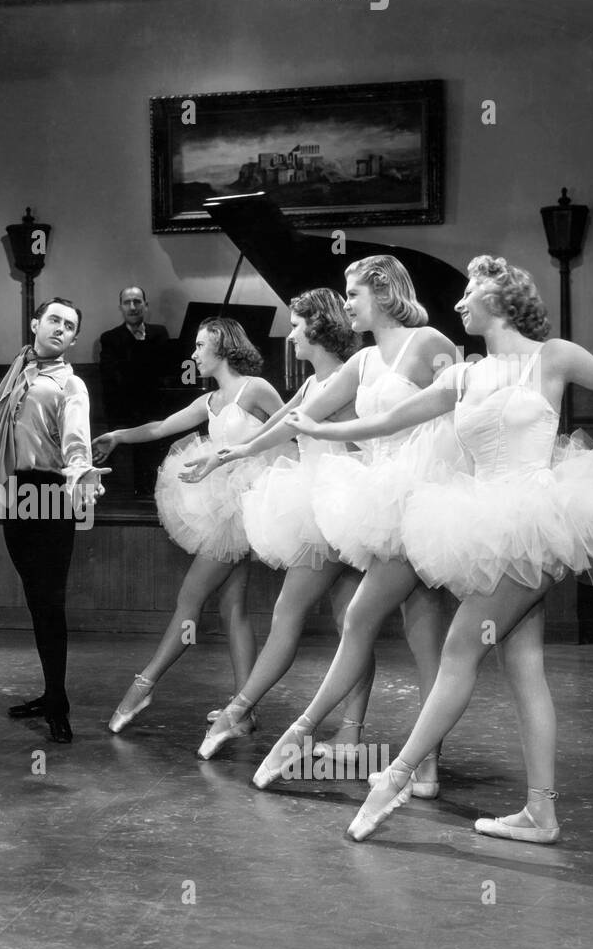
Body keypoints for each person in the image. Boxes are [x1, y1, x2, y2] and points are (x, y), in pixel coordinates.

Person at [288, 255, 593, 844]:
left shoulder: (555, 357)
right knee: (524, 670)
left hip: (536, 524)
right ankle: (541, 813)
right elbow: (388, 420)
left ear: (502, 296)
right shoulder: (463, 374)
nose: (459, 301)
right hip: (485, 529)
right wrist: (320, 429)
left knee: (457, 648)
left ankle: (394, 778)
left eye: (470, 290)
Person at [185, 256, 460, 794]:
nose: (347, 303)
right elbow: (294, 419)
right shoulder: (361, 364)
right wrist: (228, 454)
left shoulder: (428, 341)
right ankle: (389, 752)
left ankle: (414, 761)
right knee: (387, 624)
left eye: (354, 293)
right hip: (381, 501)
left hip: (422, 496)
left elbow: (454, 412)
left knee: (421, 634)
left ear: (382, 293)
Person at [186, 291, 375, 761]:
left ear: (317, 329)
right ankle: (349, 735)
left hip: (339, 507)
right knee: (349, 622)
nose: (289, 334)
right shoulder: (314, 385)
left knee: (291, 614)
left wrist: (360, 494)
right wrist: (224, 454)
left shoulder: (346, 382)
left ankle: (239, 710)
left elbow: (330, 437)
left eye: (295, 325)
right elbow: (273, 427)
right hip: (322, 506)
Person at [93, 316, 286, 738]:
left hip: (244, 505)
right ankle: (245, 708)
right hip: (222, 506)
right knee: (232, 607)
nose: (194, 353)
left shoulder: (256, 389)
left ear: (223, 348)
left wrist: (268, 478)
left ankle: (142, 686)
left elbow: (291, 431)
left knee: (189, 600)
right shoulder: (211, 400)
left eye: (201, 345)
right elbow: (162, 427)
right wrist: (118, 437)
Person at [0, 297, 108, 743]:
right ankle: (49, 692)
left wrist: (81, 471)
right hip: (16, 489)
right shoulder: (18, 368)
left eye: (69, 325)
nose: (60, 328)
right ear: (36, 324)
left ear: (74, 339)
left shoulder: (71, 383)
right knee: (35, 597)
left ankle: (58, 702)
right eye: (54, 319)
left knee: (50, 600)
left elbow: (76, 439)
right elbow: (13, 428)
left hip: (53, 491)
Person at [98, 286, 173, 497]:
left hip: (154, 411)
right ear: (120, 307)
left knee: (154, 473)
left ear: (146, 306)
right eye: (127, 302)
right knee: (126, 481)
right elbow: (115, 380)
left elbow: (164, 372)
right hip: (125, 413)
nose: (133, 307)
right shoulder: (110, 338)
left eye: (137, 301)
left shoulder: (160, 333)